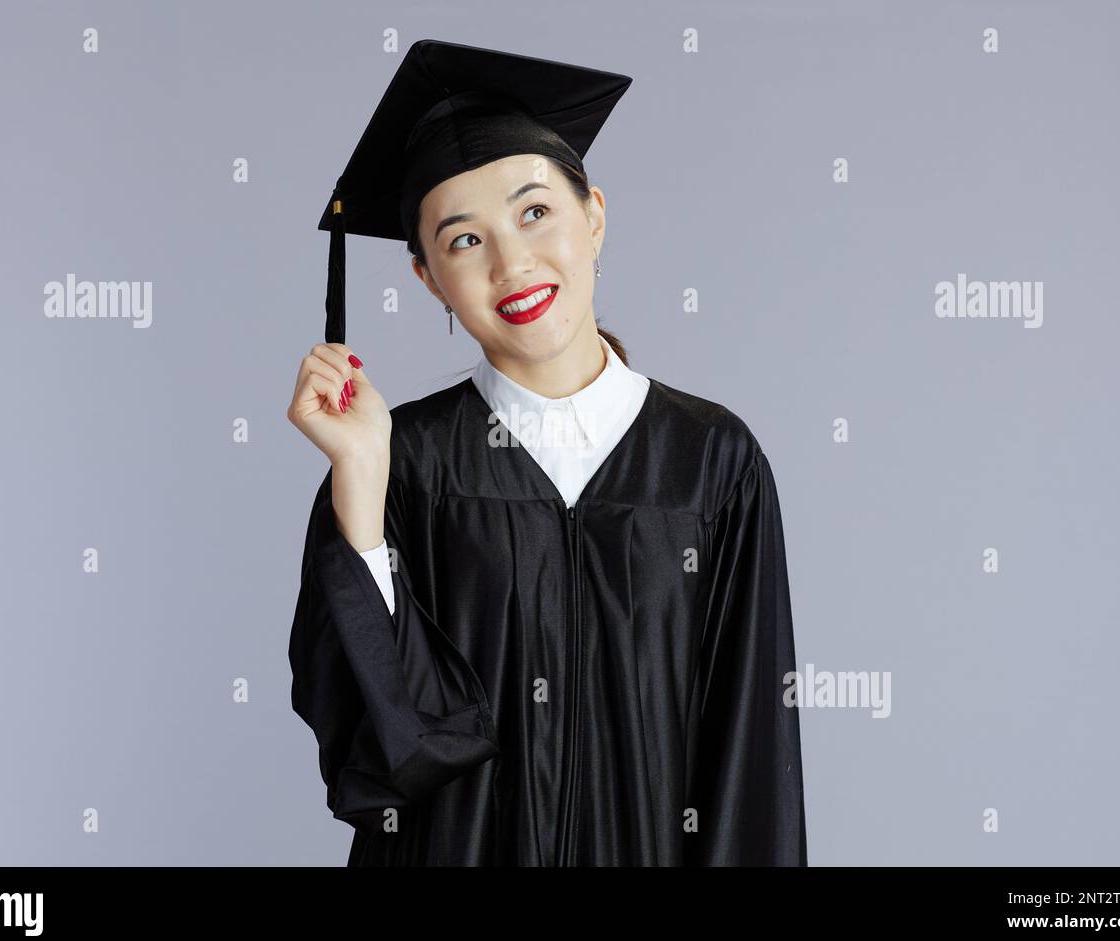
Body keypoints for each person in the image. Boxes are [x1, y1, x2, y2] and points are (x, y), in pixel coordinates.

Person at [287, 38, 807, 866]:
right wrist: (358, 489)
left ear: (593, 215)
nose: (512, 262)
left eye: (535, 212)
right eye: (463, 241)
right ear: (427, 279)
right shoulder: (403, 464)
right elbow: (379, 757)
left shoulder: (712, 462)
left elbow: (750, 760)